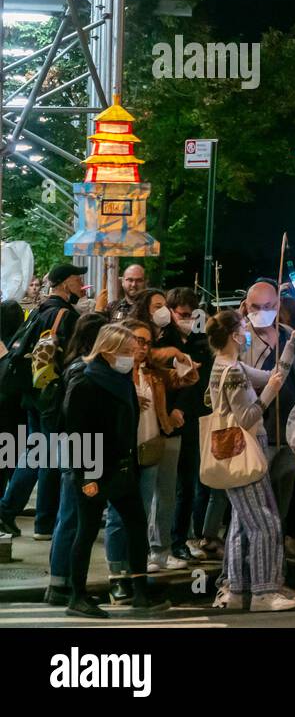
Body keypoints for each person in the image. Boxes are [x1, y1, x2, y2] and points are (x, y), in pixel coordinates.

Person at [63, 323, 170, 618]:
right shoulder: (86, 382)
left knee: (136, 524)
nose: (131, 357)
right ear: (108, 351)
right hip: (95, 470)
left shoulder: (119, 379)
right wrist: (87, 476)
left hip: (122, 467)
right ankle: (77, 596)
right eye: (125, 352)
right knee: (85, 530)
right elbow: (75, 433)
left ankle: (139, 591)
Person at [204, 311, 295, 612]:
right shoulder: (231, 371)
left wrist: (290, 345)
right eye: (243, 327)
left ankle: (236, 589)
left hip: (232, 448)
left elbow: (274, 376)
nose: (247, 331)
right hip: (241, 447)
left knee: (241, 522)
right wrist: (269, 392)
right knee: (265, 522)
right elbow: (248, 416)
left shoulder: (229, 366)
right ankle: (263, 591)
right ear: (233, 335)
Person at [0, 263, 82, 539]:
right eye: (75, 279)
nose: (80, 285)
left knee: (36, 453)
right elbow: (70, 358)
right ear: (62, 284)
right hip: (51, 395)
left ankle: (10, 511)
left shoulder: (39, 310)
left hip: (33, 393)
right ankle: (41, 522)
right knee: (48, 458)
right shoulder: (65, 315)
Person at [129, 290, 200, 572]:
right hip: (143, 429)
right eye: (157, 306)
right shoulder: (136, 340)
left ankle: (161, 549)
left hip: (168, 426)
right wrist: (171, 355)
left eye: (163, 307)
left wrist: (185, 368)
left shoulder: (173, 338)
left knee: (167, 491)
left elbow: (184, 380)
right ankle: (140, 552)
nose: (163, 312)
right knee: (144, 495)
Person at [44, 311, 109, 606]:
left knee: (70, 517)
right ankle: (60, 583)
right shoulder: (83, 370)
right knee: (71, 517)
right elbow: (76, 417)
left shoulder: (75, 364)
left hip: (76, 451)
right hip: (81, 453)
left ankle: (65, 581)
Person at [238, 280, 295, 524]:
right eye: (255, 307)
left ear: (278, 305)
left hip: (288, 428)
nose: (261, 312)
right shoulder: (241, 336)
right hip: (257, 429)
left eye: (268, 306)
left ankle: (278, 550)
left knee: (283, 496)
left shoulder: (290, 334)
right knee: (254, 499)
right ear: (246, 306)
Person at [156, 288, 213, 563]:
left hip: (192, 419)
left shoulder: (200, 340)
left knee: (187, 485)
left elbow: (200, 377)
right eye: (182, 315)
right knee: (166, 487)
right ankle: (160, 544)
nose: (188, 319)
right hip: (167, 418)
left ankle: (179, 540)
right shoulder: (162, 339)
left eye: (192, 315)